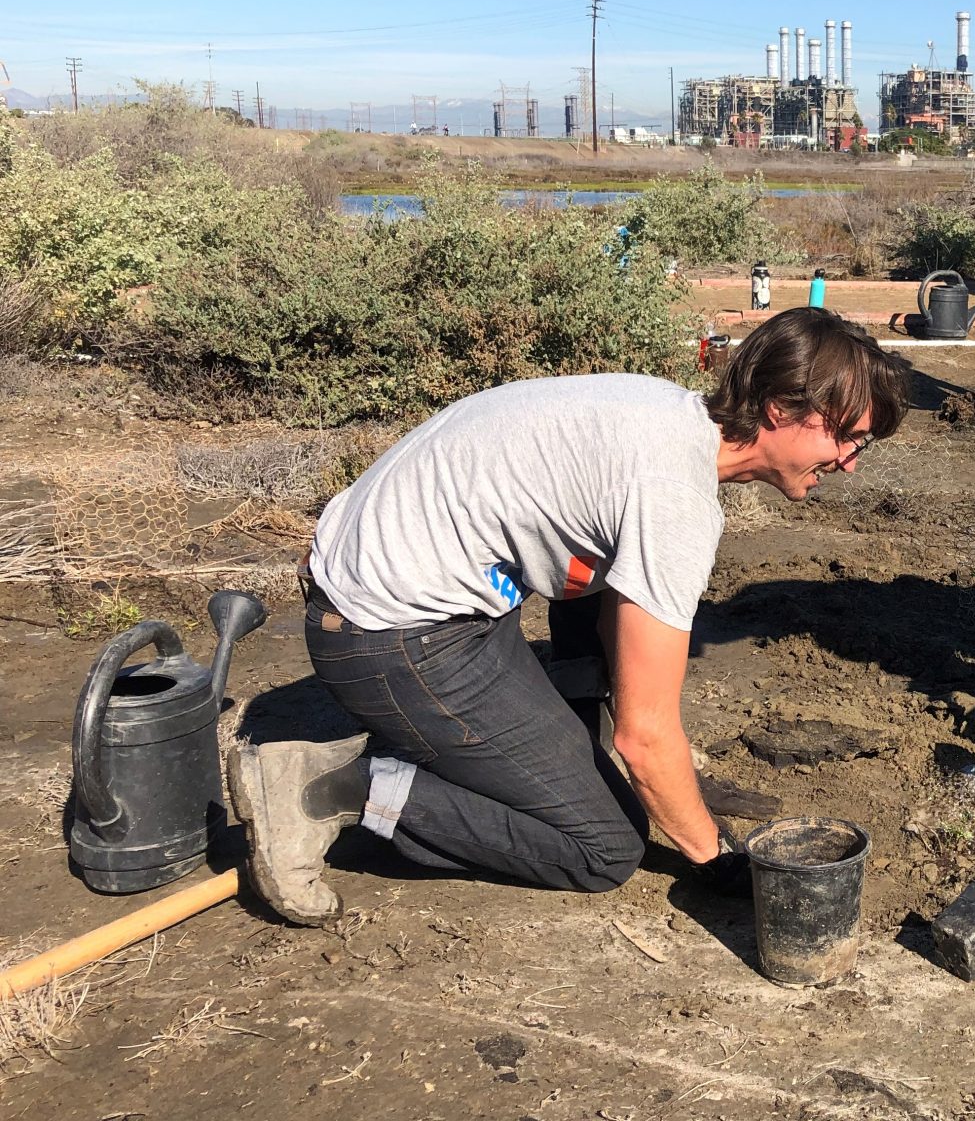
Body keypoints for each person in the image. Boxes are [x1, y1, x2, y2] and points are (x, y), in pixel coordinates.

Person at [226, 309, 909, 925]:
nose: (850, 464)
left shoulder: (667, 415)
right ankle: (337, 790)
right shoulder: (673, 499)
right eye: (848, 438)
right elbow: (646, 737)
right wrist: (715, 861)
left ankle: (518, 754)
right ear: (781, 408)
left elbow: (593, 591)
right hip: (387, 636)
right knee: (603, 846)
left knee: (596, 627)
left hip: (396, 592)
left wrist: (599, 744)